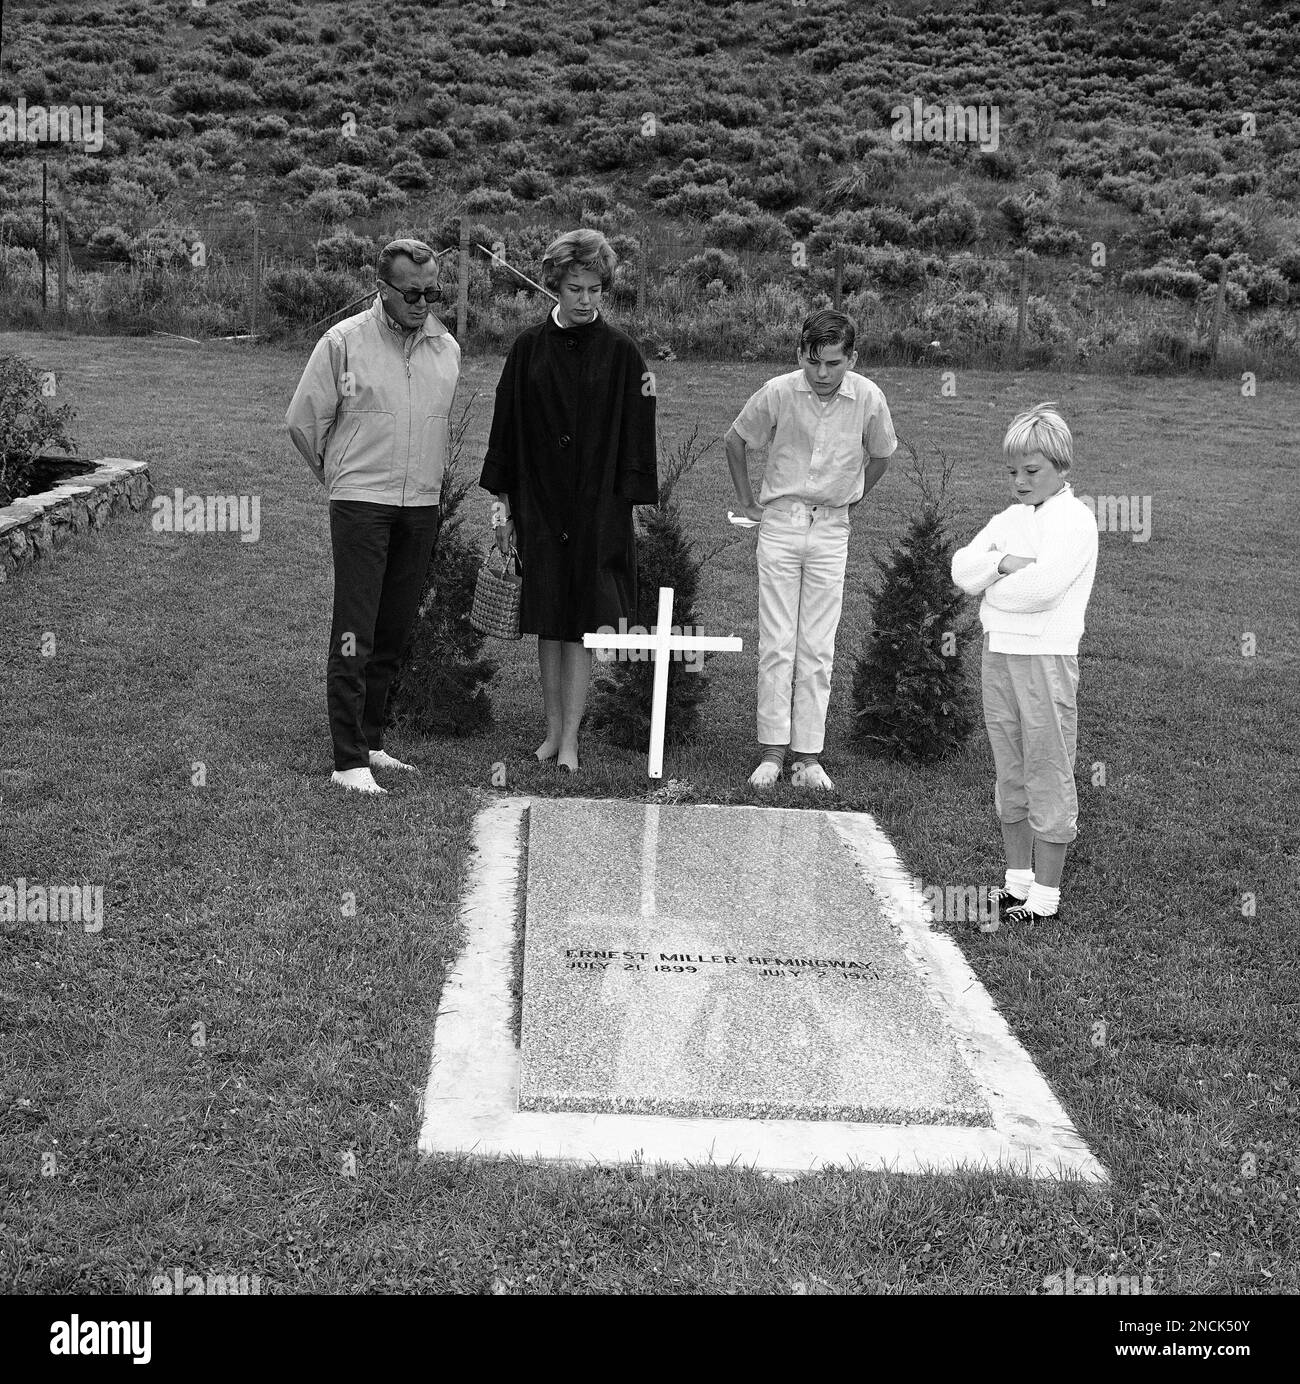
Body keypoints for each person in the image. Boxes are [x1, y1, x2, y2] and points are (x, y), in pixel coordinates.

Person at [481, 228, 658, 774]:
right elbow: (504, 432)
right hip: (538, 505)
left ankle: (572, 741)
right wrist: (503, 510)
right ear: (554, 286)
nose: (586, 299)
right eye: (576, 288)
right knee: (547, 619)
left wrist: (623, 507)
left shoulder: (625, 353)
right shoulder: (527, 349)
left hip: (597, 508)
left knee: (582, 622)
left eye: (596, 289)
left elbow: (638, 434)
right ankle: (551, 732)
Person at [286, 238, 459, 795]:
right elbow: (303, 422)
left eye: (433, 291)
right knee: (354, 629)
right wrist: (340, 478)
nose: (424, 302)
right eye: (412, 292)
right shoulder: (342, 343)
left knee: (392, 628)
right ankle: (347, 760)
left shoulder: (447, 349)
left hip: (420, 507)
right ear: (382, 288)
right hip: (362, 505)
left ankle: (374, 741)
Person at [724, 309, 897, 791]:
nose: (822, 374)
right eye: (814, 361)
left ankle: (808, 757)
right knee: (778, 641)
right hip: (779, 526)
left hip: (831, 530)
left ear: (852, 359)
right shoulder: (779, 391)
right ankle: (772, 753)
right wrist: (747, 502)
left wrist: (856, 493)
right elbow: (734, 440)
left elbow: (882, 454)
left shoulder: (868, 398)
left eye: (834, 363)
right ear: (801, 353)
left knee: (817, 646)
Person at [950, 402, 1099, 923]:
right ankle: (1016, 885)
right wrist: (1003, 564)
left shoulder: (1075, 521)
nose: (1019, 481)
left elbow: (1043, 590)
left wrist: (992, 592)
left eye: (1031, 471)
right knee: (1010, 769)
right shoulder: (1008, 519)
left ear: (1061, 468)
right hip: (1000, 655)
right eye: (1012, 471)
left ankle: (1046, 899)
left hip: (1046, 659)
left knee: (1048, 769)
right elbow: (963, 569)